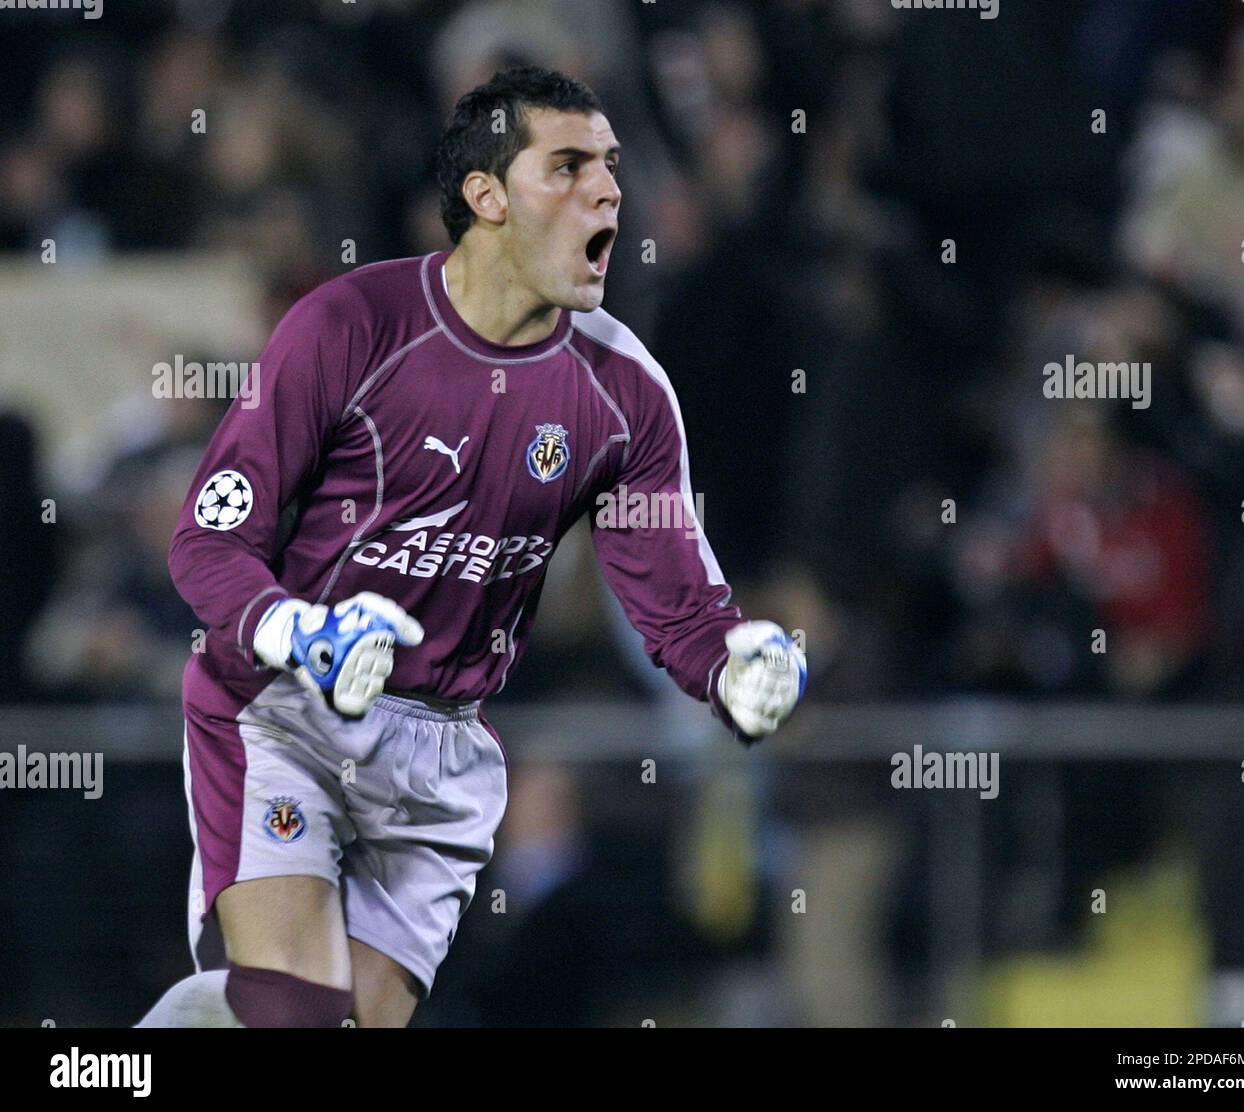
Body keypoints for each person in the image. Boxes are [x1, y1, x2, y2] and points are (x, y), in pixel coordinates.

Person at [137, 66, 805, 1029]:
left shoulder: (626, 393)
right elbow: (207, 538)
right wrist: (303, 634)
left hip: (444, 752)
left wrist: (733, 670)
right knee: (298, 1014)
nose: (609, 190)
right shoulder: (350, 326)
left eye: (611, 167)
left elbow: (679, 605)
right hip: (286, 709)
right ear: (487, 197)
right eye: (568, 165)